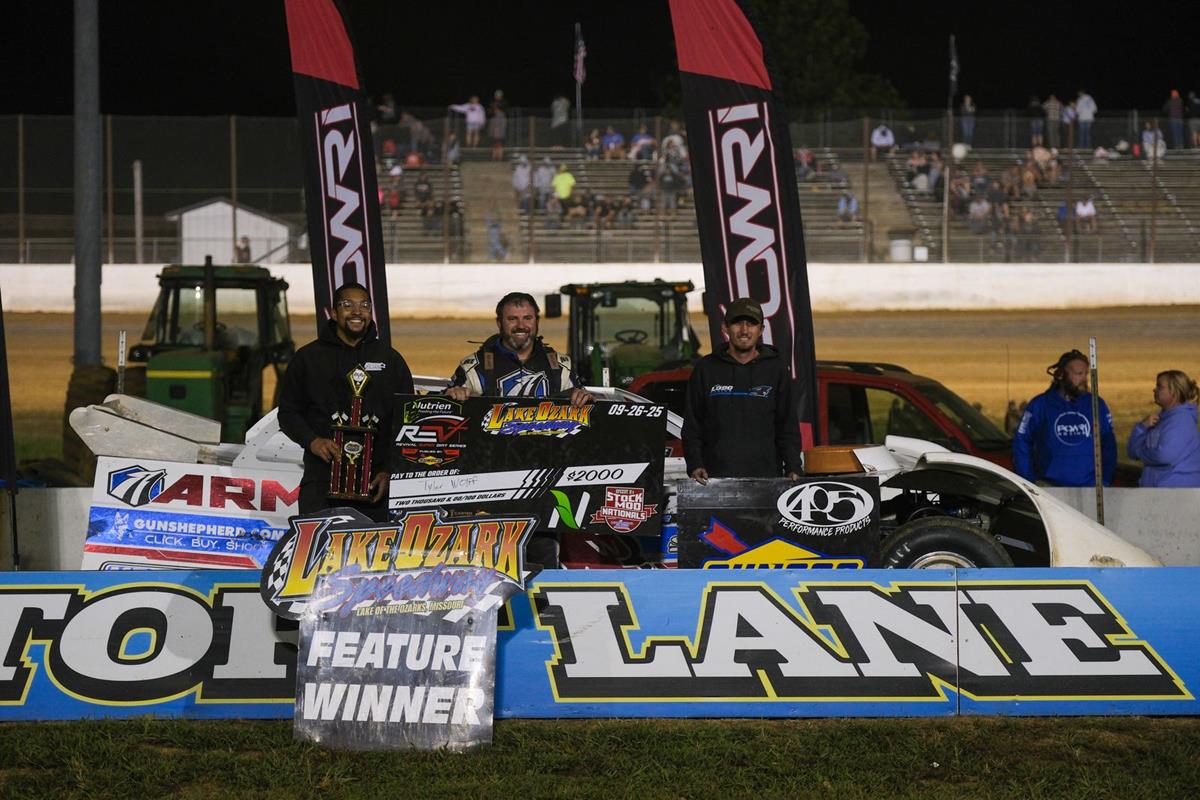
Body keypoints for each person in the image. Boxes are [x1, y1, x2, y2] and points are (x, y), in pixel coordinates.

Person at [445, 292, 593, 569]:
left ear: (537, 321)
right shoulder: (475, 366)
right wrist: (454, 396)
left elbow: (586, 418)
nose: (521, 325)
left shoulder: (560, 365)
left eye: (527, 318)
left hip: (544, 489)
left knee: (543, 568)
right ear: (499, 322)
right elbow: (446, 418)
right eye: (512, 319)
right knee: (490, 568)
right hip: (489, 490)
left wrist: (583, 398)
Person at [277, 282, 414, 520]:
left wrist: (389, 471)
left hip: (375, 486)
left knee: (371, 546)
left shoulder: (391, 361)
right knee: (318, 544)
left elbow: (406, 421)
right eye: (347, 305)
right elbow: (288, 413)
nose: (357, 312)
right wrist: (312, 441)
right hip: (321, 481)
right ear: (333, 312)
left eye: (364, 305)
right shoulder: (307, 359)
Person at [682, 297, 802, 484]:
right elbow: (692, 426)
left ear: (761, 330)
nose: (744, 330)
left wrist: (793, 466)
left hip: (767, 482)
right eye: (737, 323)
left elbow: (787, 426)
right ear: (725, 328)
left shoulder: (776, 369)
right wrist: (695, 464)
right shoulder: (705, 369)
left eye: (751, 324)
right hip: (714, 483)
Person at [1013, 349, 1115, 487]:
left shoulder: (1096, 405)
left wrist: (1105, 480)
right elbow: (1022, 441)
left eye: (1086, 374)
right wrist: (1029, 480)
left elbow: (1108, 444)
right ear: (1061, 375)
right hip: (1049, 488)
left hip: (1090, 489)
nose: (1084, 379)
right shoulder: (1041, 405)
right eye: (1079, 374)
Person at [1127, 370, 1200, 487]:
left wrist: (1140, 452)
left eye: (1159, 387)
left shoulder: (1181, 421)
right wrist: (1141, 427)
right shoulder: (1160, 420)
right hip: (1161, 491)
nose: (1154, 390)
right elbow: (1131, 452)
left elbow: (1164, 456)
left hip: (1177, 492)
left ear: (1174, 392)